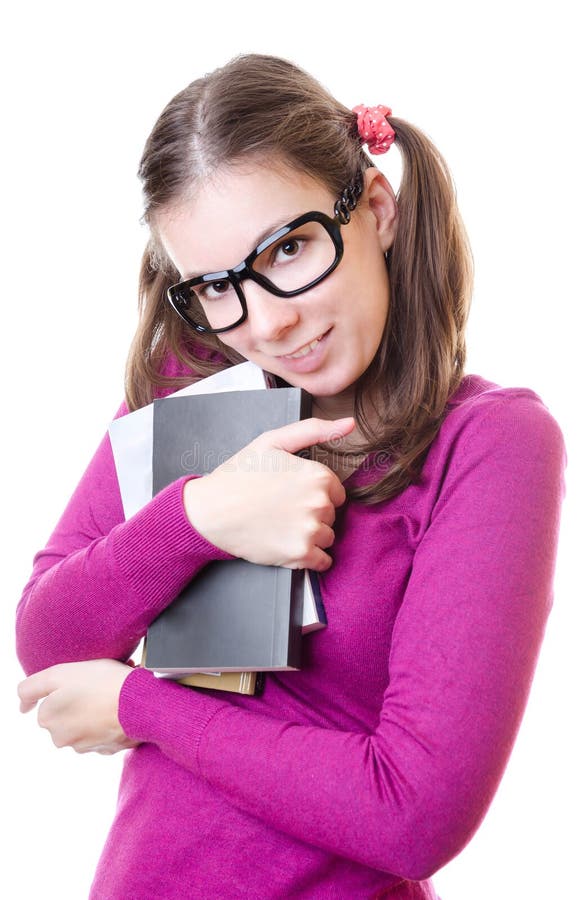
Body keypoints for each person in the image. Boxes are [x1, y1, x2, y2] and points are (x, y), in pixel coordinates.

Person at [16, 53, 565, 900]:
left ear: (374, 209)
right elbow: (48, 654)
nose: (268, 323)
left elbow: (412, 814)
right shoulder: (188, 405)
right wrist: (194, 519)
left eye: (289, 248)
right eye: (214, 287)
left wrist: (139, 706)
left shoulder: (487, 442)